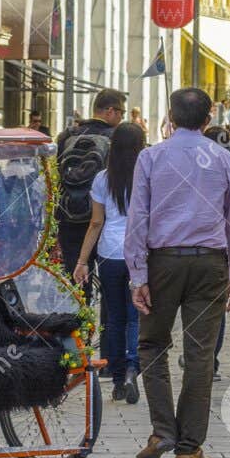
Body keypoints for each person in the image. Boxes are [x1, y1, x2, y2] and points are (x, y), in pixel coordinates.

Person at [124, 87, 230, 458]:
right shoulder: (225, 160)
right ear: (209, 119)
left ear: (171, 118)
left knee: (152, 346)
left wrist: (137, 275)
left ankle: (163, 430)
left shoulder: (150, 157)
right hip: (209, 263)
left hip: (162, 261)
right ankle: (190, 446)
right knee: (200, 355)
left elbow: (138, 219)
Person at [73, 121, 145, 404]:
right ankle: (132, 367)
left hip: (110, 252)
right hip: (140, 253)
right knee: (136, 314)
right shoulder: (147, 175)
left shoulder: (103, 178)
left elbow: (95, 222)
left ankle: (116, 377)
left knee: (114, 316)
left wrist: (82, 261)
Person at [55, 88, 128, 304]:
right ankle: (107, 331)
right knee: (110, 287)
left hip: (69, 217)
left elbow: (56, 171)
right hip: (105, 219)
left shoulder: (68, 136)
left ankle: (80, 332)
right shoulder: (116, 137)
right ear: (110, 111)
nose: (121, 117)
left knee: (76, 281)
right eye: (121, 112)